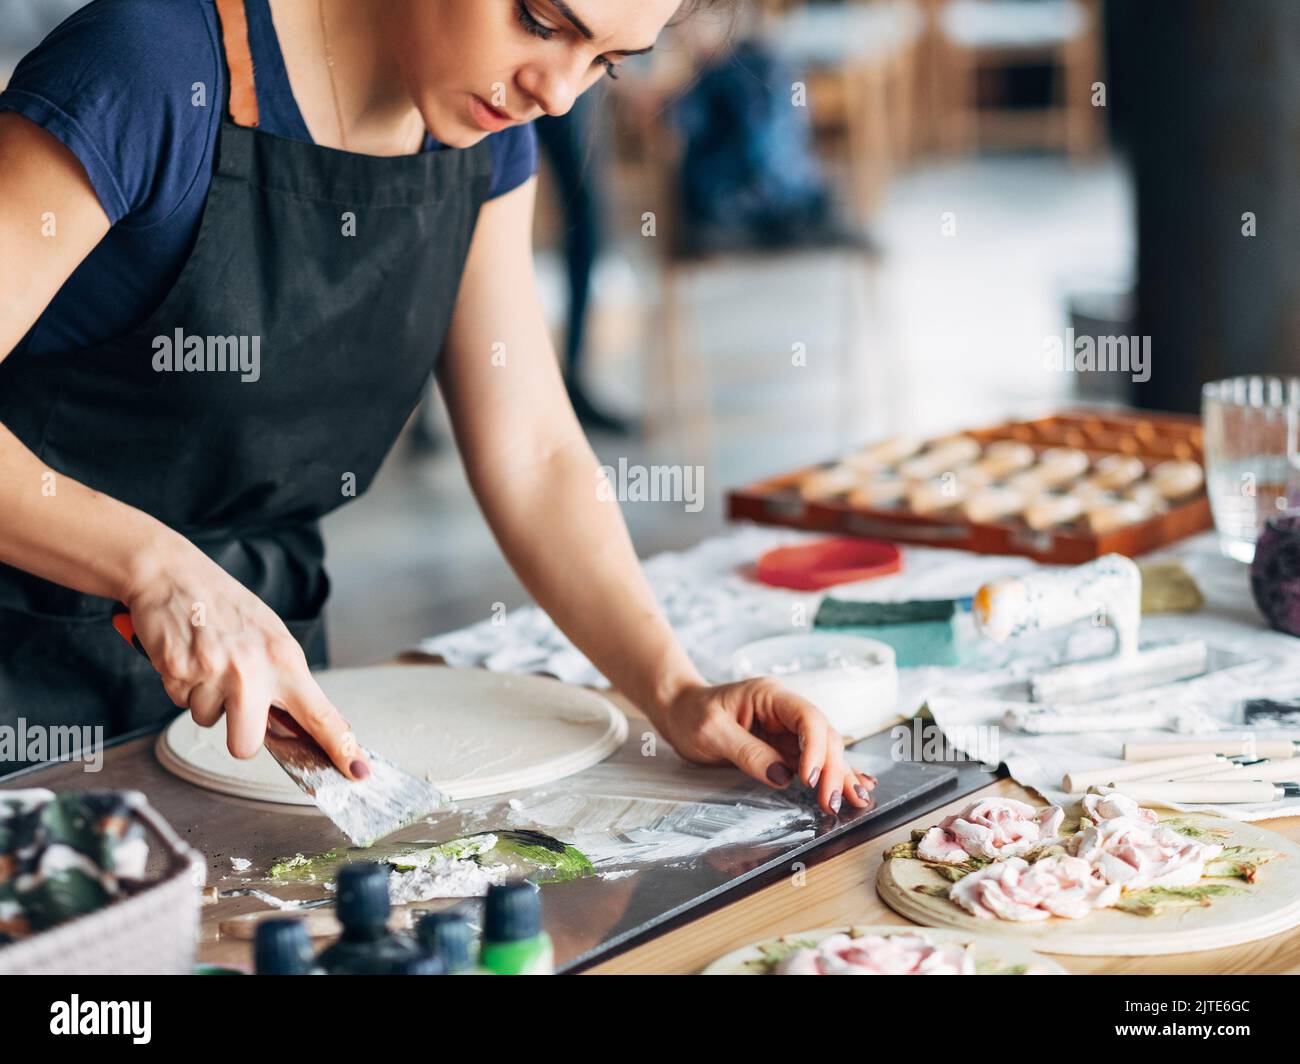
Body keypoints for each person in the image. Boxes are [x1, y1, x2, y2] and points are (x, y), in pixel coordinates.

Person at [0, 0, 875, 816]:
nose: (558, 91)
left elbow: (531, 450)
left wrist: (676, 690)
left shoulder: (485, 134)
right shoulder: (148, 70)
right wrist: (155, 567)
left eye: (606, 62)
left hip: (262, 684)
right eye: (539, 20)